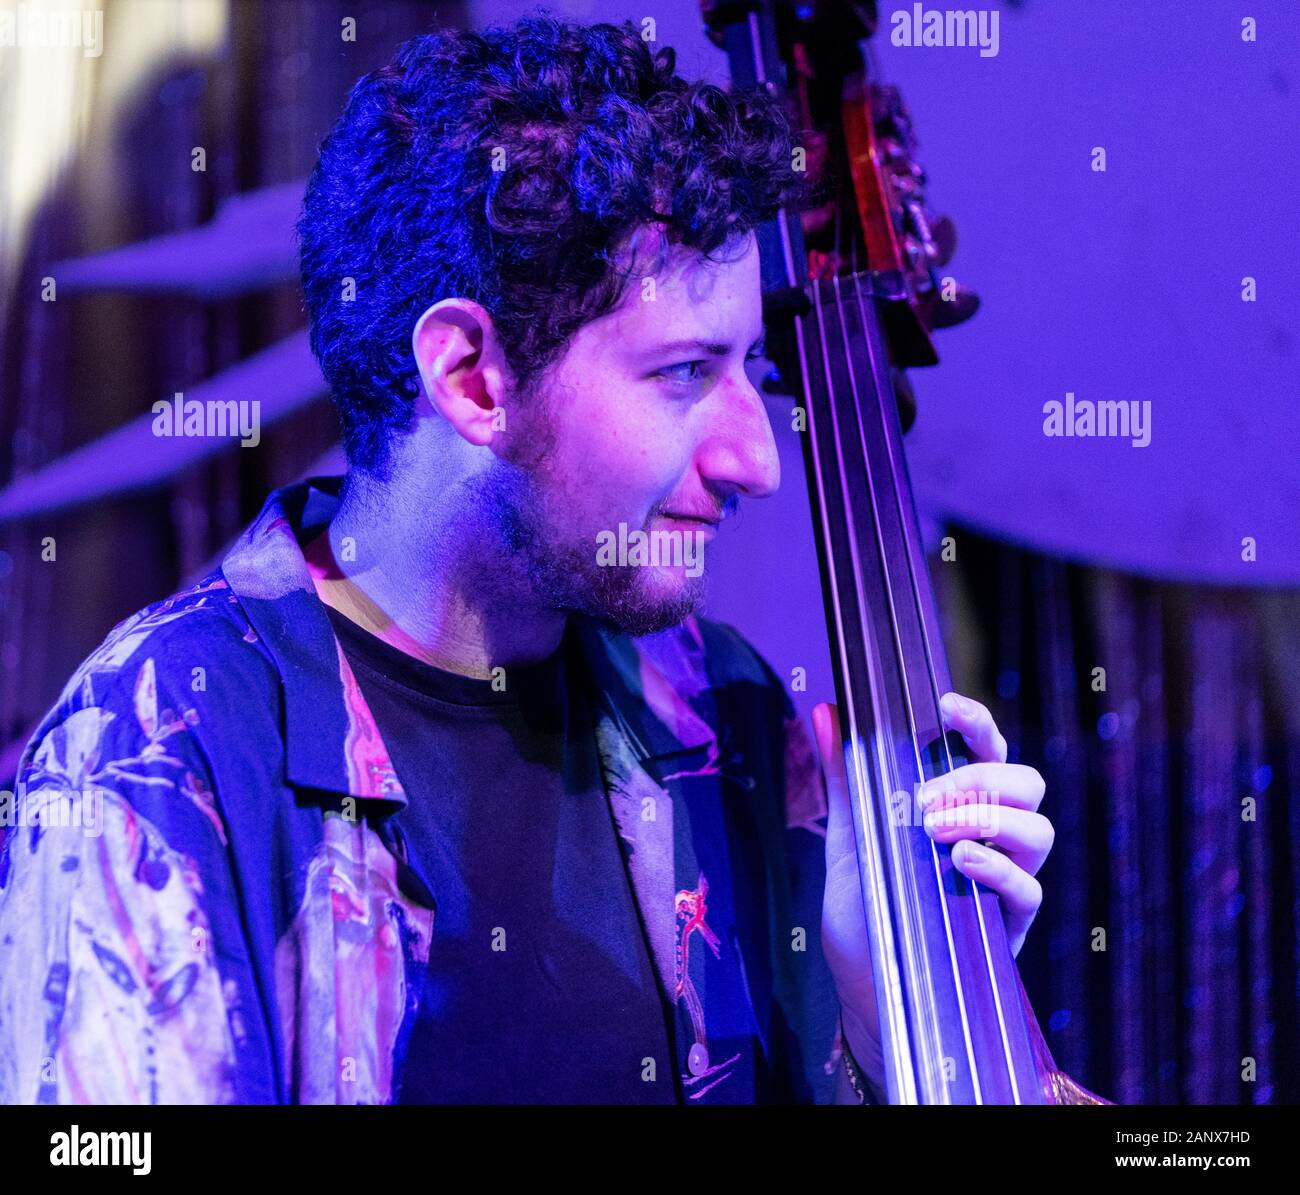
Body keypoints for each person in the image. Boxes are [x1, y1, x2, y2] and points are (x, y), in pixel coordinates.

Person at [0, 15, 1053, 1105]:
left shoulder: (721, 711)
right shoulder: (168, 738)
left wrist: (889, 1025)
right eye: (686, 373)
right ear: (473, 378)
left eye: (750, 368)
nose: (757, 460)